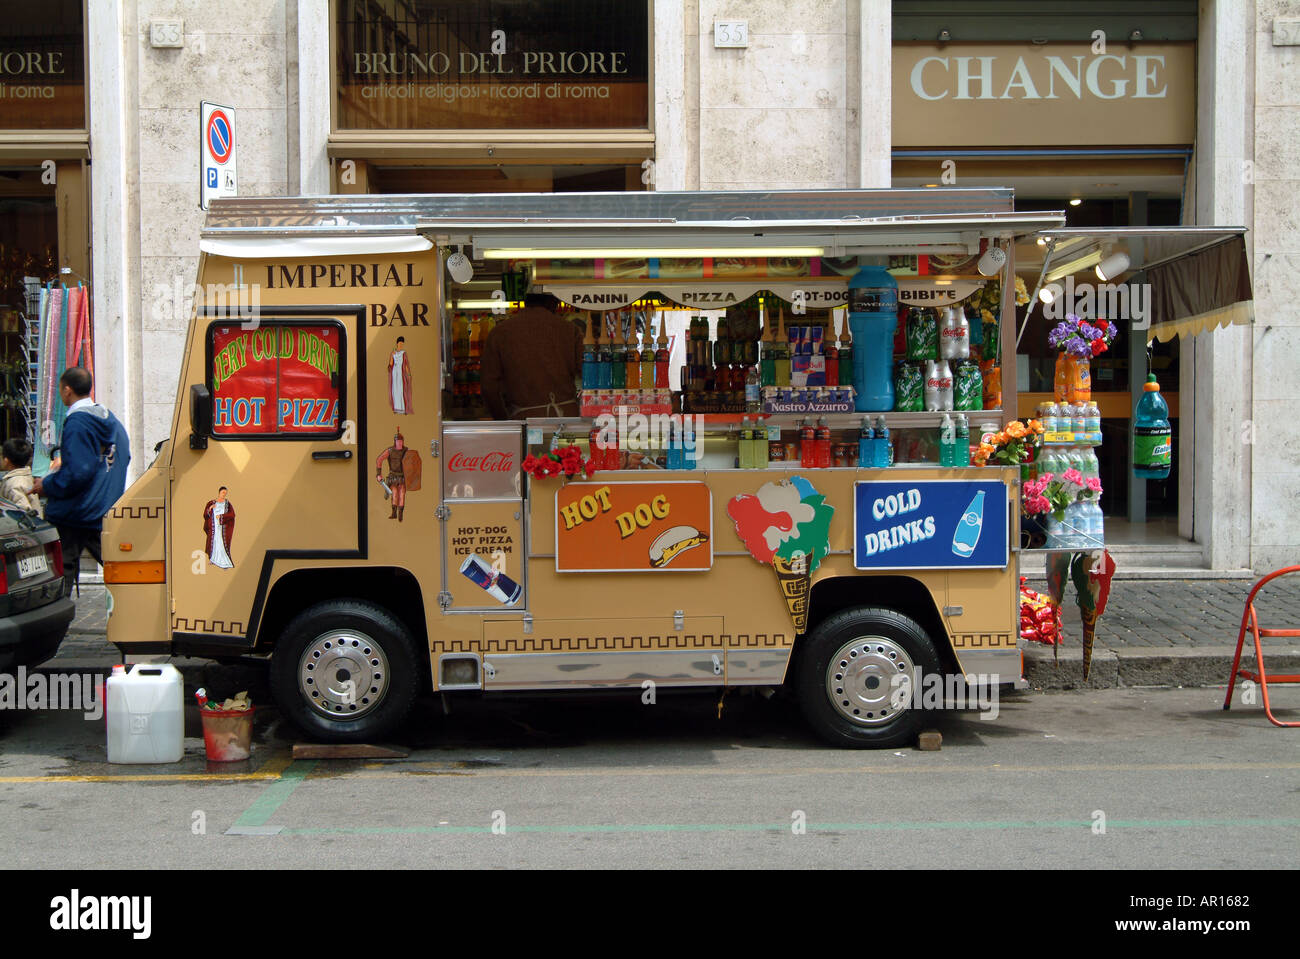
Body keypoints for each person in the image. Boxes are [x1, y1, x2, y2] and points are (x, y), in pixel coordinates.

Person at [31, 367, 131, 597]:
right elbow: (122, 458)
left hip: (75, 512)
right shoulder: (110, 420)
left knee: (63, 567)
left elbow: (78, 473)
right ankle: (140, 608)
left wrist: (46, 485)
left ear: (67, 390)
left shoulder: (78, 423)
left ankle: (58, 619)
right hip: (100, 507)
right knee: (117, 566)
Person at [480, 293, 583, 419]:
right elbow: (588, 374)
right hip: (567, 418)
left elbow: (489, 386)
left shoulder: (500, 333)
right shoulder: (570, 330)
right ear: (553, 304)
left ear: (526, 303)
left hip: (524, 420)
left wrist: (502, 418)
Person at [0, 438, 41, 515]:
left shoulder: (14, 485)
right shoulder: (25, 475)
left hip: (27, 525)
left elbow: (23, 511)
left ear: (6, 460)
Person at [203, 486, 235, 569]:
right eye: (223, 492)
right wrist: (210, 509)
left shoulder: (227, 504)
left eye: (225, 493)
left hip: (222, 527)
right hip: (214, 527)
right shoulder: (212, 502)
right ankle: (213, 559)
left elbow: (232, 515)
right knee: (214, 542)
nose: (224, 494)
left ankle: (223, 561)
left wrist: (221, 516)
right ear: (219, 492)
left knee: (221, 542)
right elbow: (206, 514)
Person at [388, 336, 412, 415]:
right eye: (400, 343)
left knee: (401, 390)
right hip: (395, 373)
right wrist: (389, 366)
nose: (401, 345)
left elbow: (405, 365)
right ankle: (396, 408)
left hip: (401, 373)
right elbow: (391, 364)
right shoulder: (393, 353)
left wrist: (408, 373)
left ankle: (403, 409)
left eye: (402, 344)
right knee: (395, 389)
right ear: (397, 343)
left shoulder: (403, 353)